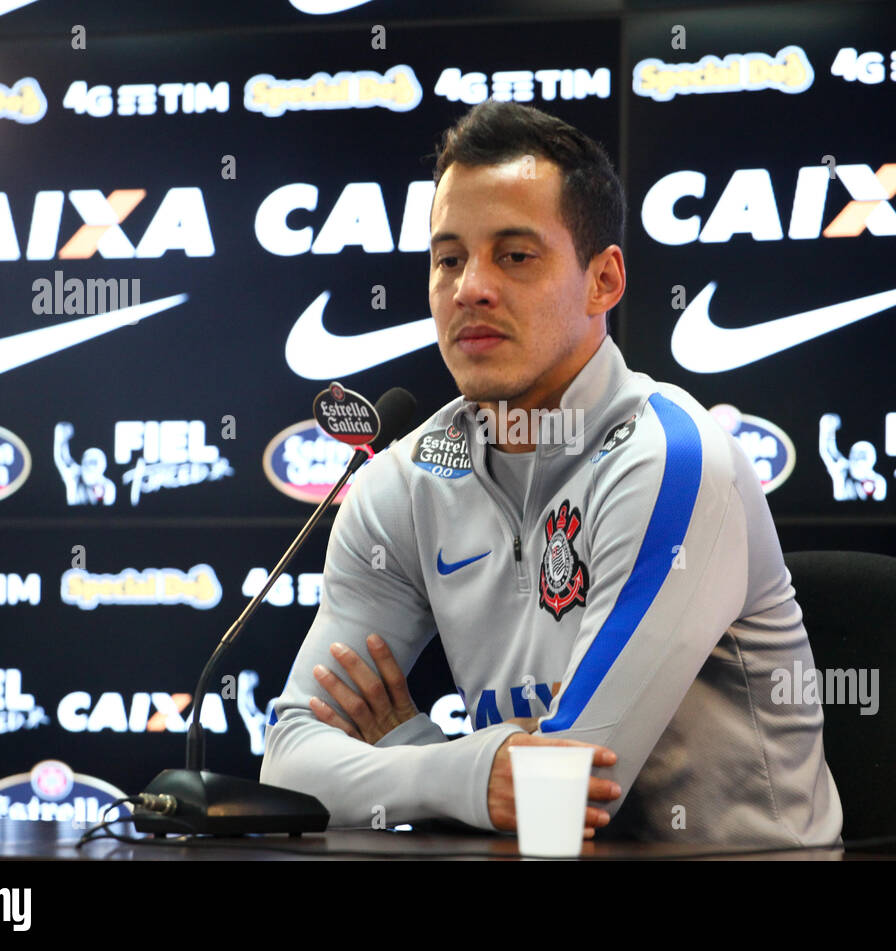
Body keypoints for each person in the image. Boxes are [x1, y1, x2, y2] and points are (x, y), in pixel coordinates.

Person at [260, 101, 843, 846]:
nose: (470, 286)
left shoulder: (669, 458)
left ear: (603, 281)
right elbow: (289, 763)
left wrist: (412, 753)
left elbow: (562, 791)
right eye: (448, 259)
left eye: (515, 255)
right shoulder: (401, 482)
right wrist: (472, 771)